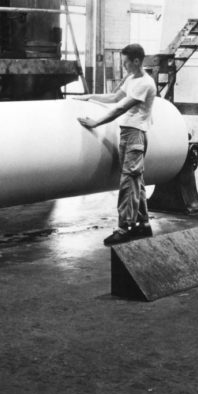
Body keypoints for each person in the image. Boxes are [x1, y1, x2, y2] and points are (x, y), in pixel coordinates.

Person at [78, 43, 157, 246]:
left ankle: (125, 228)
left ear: (136, 61)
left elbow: (120, 108)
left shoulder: (145, 83)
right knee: (136, 181)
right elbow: (114, 97)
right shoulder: (131, 79)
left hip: (135, 136)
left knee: (128, 182)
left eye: (125, 63)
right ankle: (142, 224)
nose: (124, 67)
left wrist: (96, 123)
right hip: (128, 134)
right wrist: (90, 96)